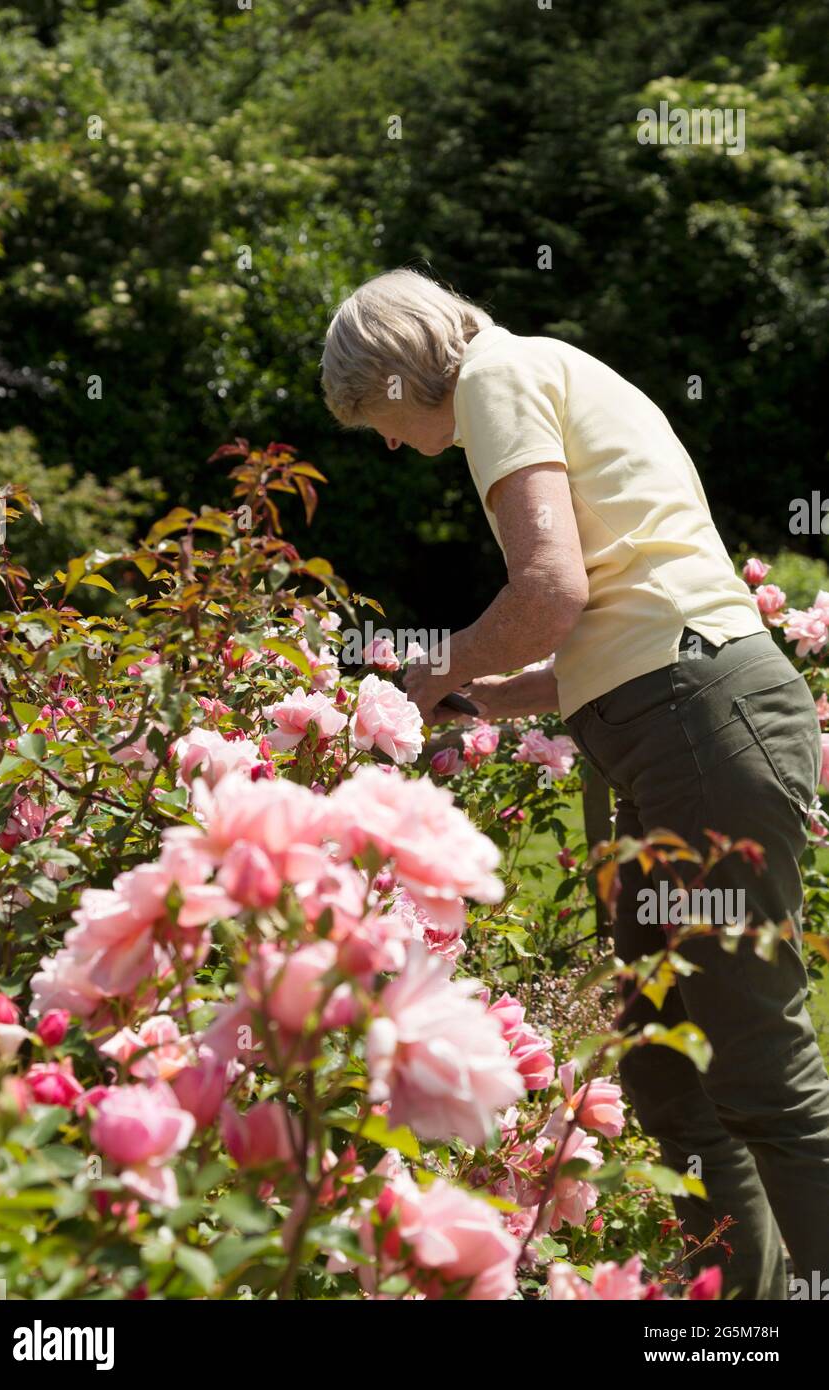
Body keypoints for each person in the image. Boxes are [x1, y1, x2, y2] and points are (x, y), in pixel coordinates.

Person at [320, 267, 829, 1300]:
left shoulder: (496, 380)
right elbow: (599, 637)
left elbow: (550, 588)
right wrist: (479, 697)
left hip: (698, 721)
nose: (379, 440)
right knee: (658, 1057)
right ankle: (742, 1310)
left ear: (394, 367)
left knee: (753, 1063)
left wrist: (441, 664)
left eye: (367, 412)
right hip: (671, 716)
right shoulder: (544, 371)